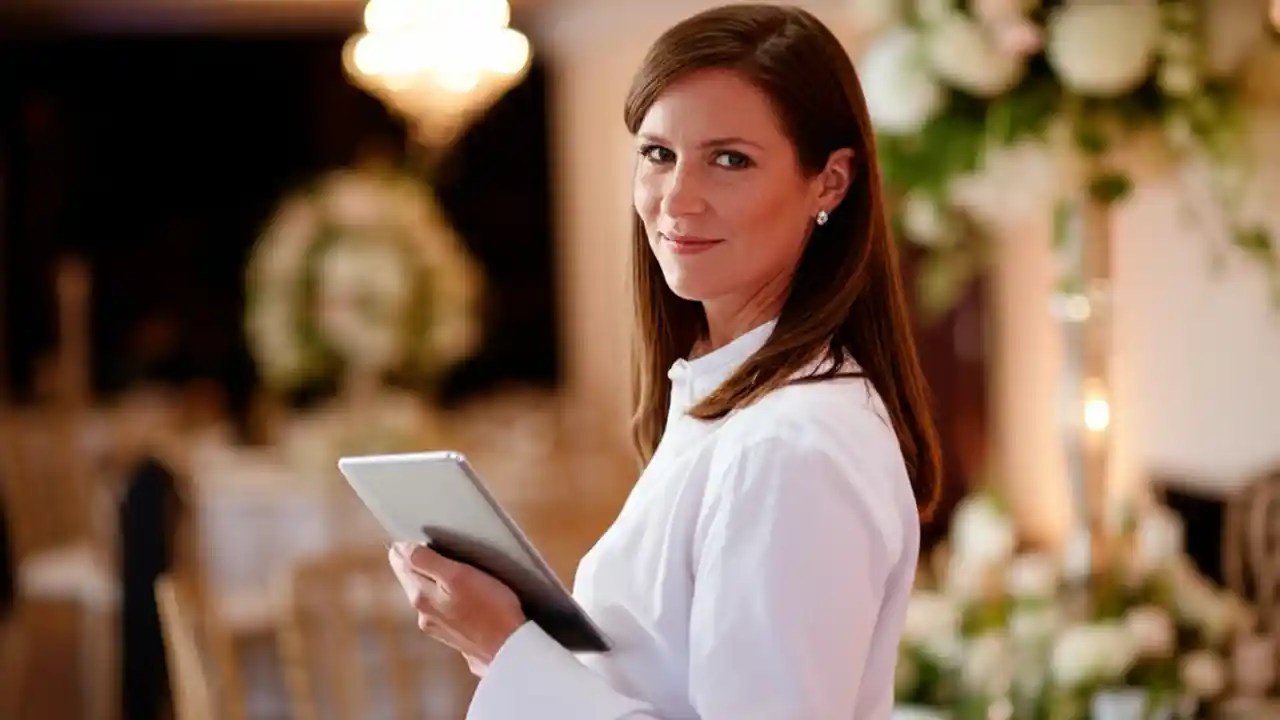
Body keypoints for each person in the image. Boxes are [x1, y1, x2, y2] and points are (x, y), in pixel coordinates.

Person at [388, 4, 942, 718]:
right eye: (659, 154)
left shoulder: (788, 446)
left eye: (730, 159)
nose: (677, 199)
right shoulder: (730, 403)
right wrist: (510, 648)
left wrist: (509, 650)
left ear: (830, 182)